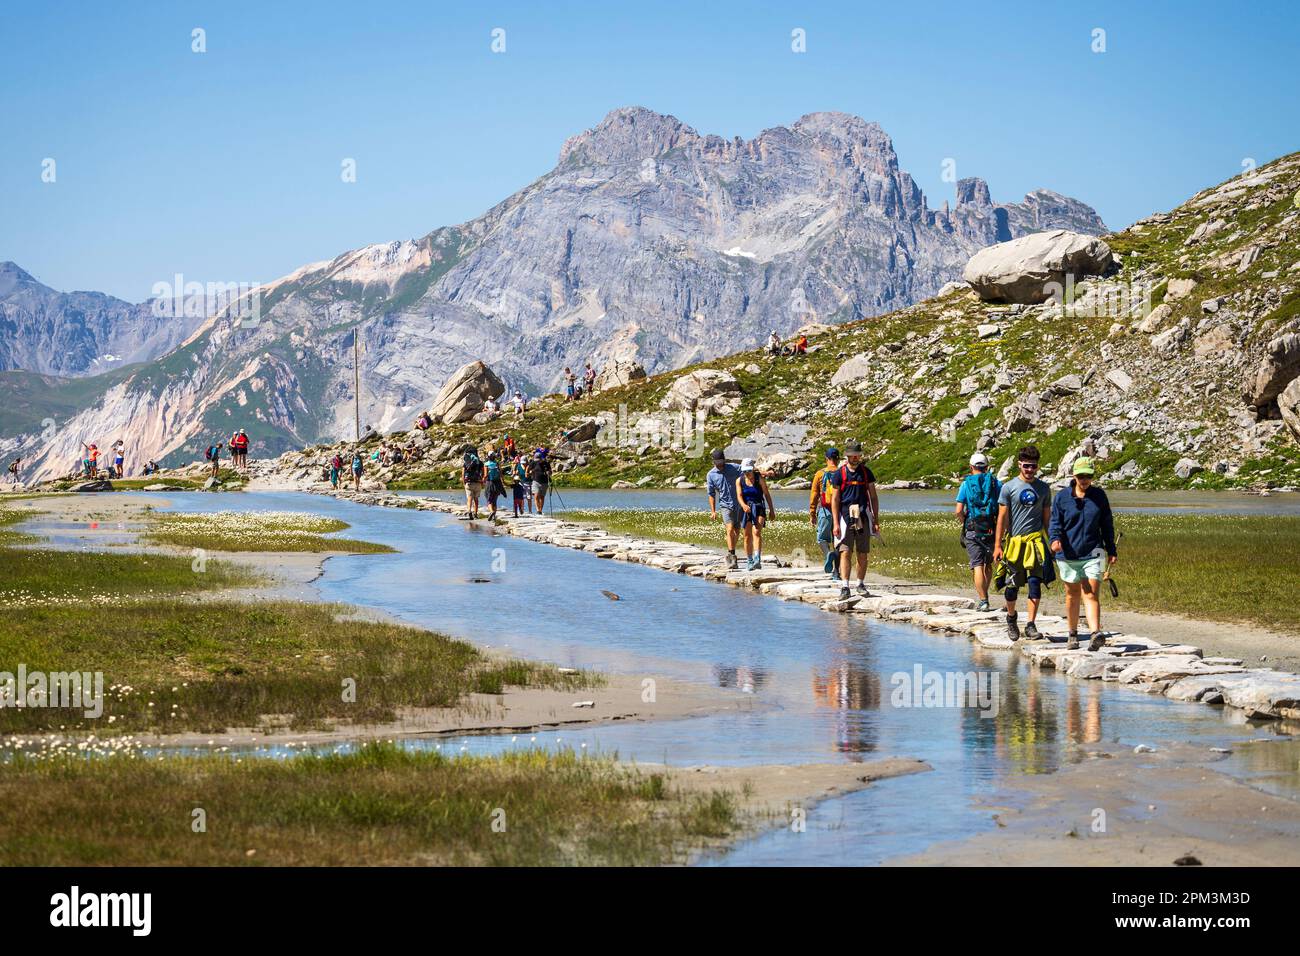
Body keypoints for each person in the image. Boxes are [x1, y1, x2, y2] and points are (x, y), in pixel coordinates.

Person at [1049, 457, 1118, 651]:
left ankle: (1096, 633)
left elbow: (1107, 525)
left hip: (1094, 551)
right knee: (1072, 595)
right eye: (1081, 476)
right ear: (1074, 476)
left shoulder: (1099, 496)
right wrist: (1054, 540)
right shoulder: (1062, 497)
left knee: (1091, 593)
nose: (1085, 479)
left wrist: (1111, 549)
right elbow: (1055, 523)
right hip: (1067, 554)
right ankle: (1072, 634)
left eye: (1088, 476)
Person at [992, 445, 1053, 641]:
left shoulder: (1044, 489)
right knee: (1012, 586)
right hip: (1015, 543)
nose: (1029, 470)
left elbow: (1047, 519)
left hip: (1035, 542)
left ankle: (1031, 624)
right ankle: (1011, 618)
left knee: (1035, 583)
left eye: (1033, 466)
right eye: (1026, 466)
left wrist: (1052, 541)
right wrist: (998, 546)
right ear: (1019, 464)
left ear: (1037, 466)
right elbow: (1001, 518)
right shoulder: (1008, 487)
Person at [828, 440, 879, 600]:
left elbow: (873, 497)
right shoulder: (839, 474)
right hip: (844, 518)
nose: (855, 457)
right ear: (847, 456)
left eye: (857, 455)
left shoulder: (866, 473)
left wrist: (875, 520)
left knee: (862, 553)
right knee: (845, 552)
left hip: (862, 517)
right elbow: (835, 500)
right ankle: (845, 586)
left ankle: (860, 584)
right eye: (852, 455)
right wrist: (835, 523)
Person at [955, 452, 1001, 611]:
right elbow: (1003, 507)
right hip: (991, 528)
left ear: (971, 467)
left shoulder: (966, 484)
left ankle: (983, 600)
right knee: (988, 565)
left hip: (972, 529)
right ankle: (985, 597)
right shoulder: (996, 483)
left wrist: (964, 521)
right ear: (987, 467)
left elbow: (958, 510)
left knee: (977, 565)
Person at [705, 449, 744, 570]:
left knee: (737, 530)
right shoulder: (711, 475)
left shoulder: (734, 467)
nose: (719, 463)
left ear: (724, 459)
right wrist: (713, 511)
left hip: (739, 503)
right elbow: (711, 494)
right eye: (717, 461)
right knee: (730, 528)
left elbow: (747, 471)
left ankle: (732, 550)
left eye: (721, 460)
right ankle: (731, 554)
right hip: (725, 505)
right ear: (714, 461)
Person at [735, 459, 775, 571]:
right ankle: (749, 560)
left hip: (759, 506)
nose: (747, 473)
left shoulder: (759, 479)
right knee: (747, 535)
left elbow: (766, 494)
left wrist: (771, 510)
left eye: (748, 470)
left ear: (752, 469)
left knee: (757, 531)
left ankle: (757, 558)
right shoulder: (740, 480)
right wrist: (743, 505)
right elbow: (739, 495)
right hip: (746, 508)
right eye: (745, 471)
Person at [809, 447, 842, 581]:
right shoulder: (842, 473)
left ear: (827, 459)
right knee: (838, 542)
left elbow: (814, 495)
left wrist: (812, 513)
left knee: (822, 539)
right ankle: (836, 573)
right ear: (838, 459)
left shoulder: (820, 474)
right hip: (840, 511)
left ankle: (828, 554)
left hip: (825, 510)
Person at [462, 445, 485, 518]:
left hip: (469, 482)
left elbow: (463, 473)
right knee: (476, 499)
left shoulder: (466, 463)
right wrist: (482, 482)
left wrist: (463, 482)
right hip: (477, 482)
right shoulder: (480, 463)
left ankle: (469, 511)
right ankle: (475, 513)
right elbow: (483, 473)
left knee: (469, 498)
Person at [485, 452, 505, 518]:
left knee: (489, 499)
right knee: (495, 500)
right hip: (497, 483)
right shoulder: (497, 463)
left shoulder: (486, 464)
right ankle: (494, 517)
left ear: (488, 457)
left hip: (489, 483)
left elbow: (485, 475)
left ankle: (491, 511)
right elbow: (501, 474)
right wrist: (503, 481)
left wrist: (482, 480)